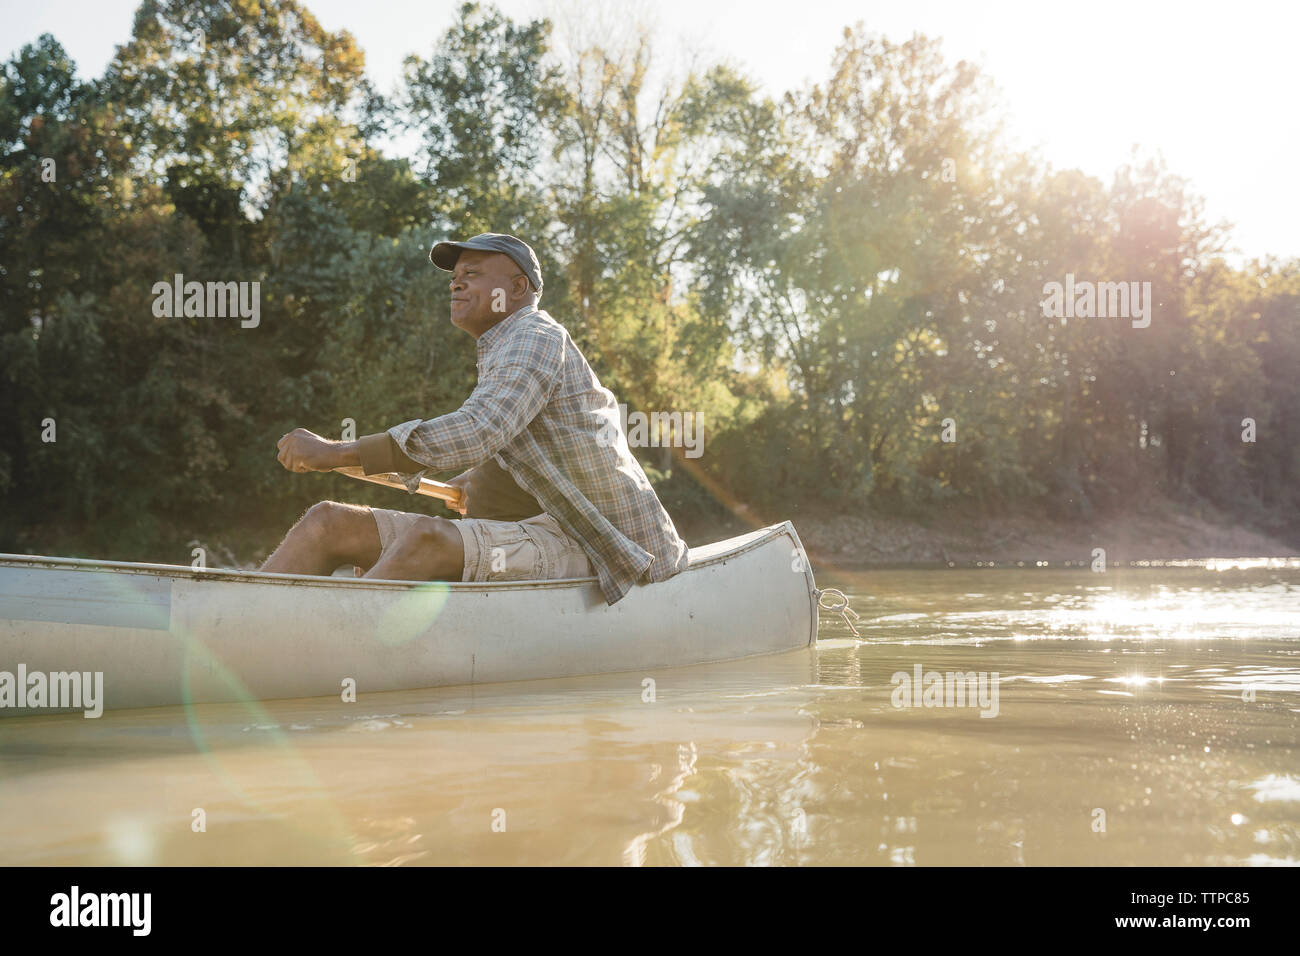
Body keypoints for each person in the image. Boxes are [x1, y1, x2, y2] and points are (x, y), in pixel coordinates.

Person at [260, 232, 689, 605]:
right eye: (454, 276)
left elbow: (477, 430)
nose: (456, 282)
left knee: (426, 540)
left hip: (598, 541)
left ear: (518, 287)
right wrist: (479, 480)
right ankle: (249, 627)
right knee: (327, 522)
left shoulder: (533, 336)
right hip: (542, 527)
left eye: (474, 273)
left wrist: (336, 452)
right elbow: (516, 442)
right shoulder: (503, 349)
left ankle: (323, 646)